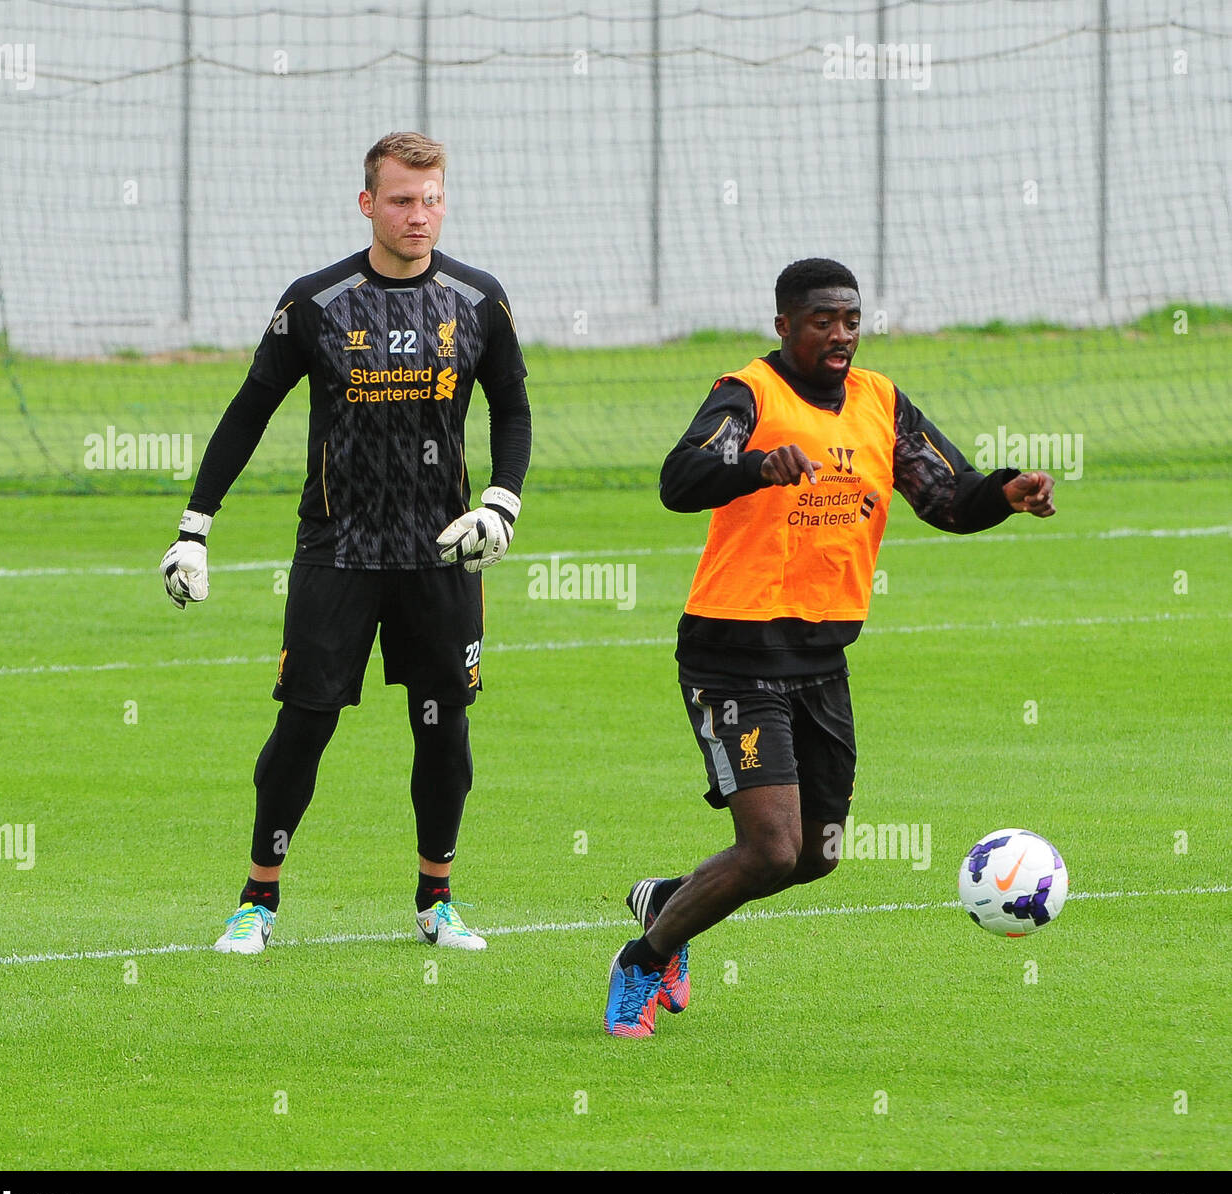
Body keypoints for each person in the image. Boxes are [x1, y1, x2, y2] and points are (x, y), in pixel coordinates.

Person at [604, 257, 1054, 1037]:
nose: (841, 334)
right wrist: (754, 467)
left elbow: (946, 495)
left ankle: (671, 896)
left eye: (851, 318)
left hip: (821, 661)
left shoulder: (880, 401)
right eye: (823, 320)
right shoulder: (748, 392)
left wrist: (1005, 493)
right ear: (784, 325)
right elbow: (681, 477)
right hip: (733, 655)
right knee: (772, 847)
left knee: (817, 853)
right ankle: (642, 961)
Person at [159, 131, 531, 955]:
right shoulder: (318, 302)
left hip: (441, 555)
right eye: (401, 200)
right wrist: (195, 526)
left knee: (444, 729)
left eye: (432, 199)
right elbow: (248, 410)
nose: (418, 215)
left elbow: (511, 404)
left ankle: (437, 899)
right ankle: (257, 901)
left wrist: (501, 504)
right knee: (304, 724)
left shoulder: (478, 299)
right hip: (338, 550)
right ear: (368, 203)